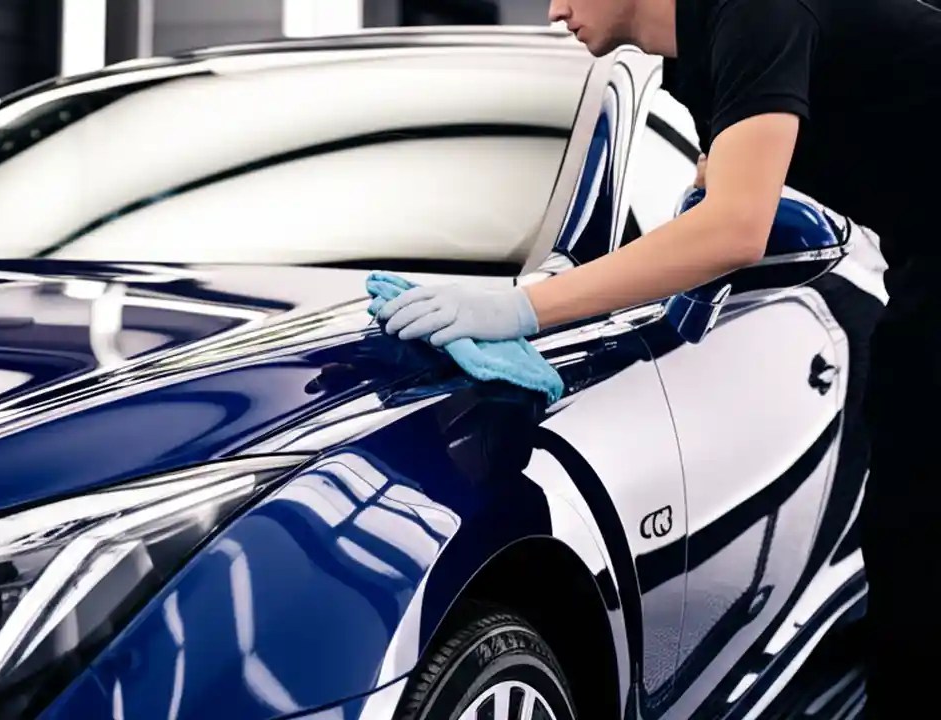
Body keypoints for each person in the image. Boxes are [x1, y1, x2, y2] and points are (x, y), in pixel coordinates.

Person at [374, 0, 941, 715]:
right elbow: (724, 195)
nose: (553, 10)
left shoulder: (756, 13)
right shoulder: (701, 63)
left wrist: (524, 306)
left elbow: (736, 227)